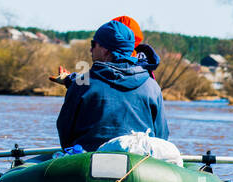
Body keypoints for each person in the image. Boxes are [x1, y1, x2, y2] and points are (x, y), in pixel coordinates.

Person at [53, 19, 169, 152]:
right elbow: (162, 136)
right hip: (140, 162)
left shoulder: (81, 83)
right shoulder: (152, 86)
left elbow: (65, 130)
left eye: (94, 44)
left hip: (87, 162)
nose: (91, 49)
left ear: (105, 50)